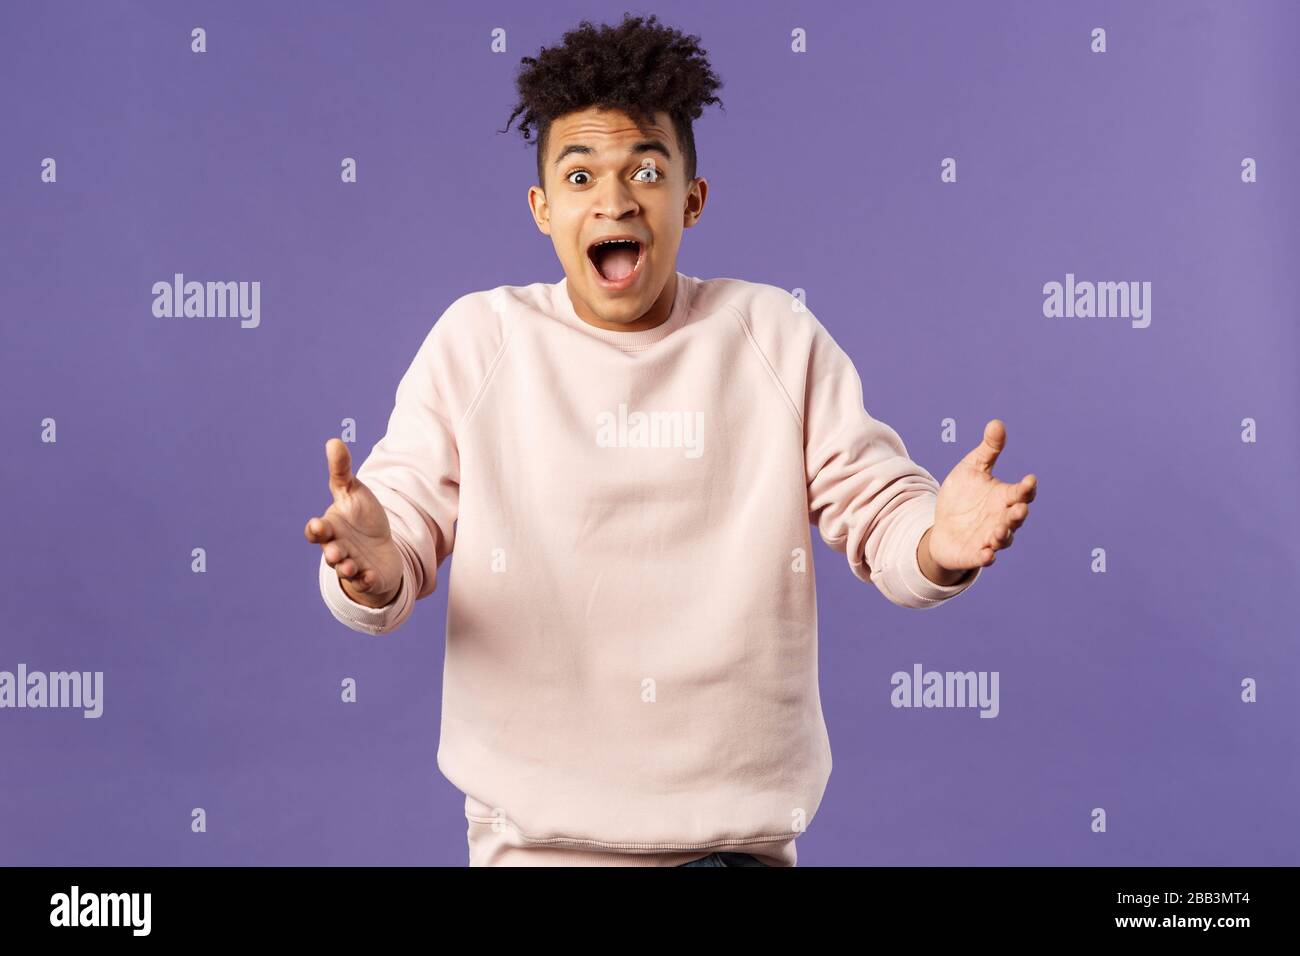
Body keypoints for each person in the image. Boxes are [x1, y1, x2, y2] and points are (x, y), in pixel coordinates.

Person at [304, 13, 1036, 867]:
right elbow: (400, 539)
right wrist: (371, 564)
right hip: (534, 848)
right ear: (543, 209)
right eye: (580, 176)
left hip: (734, 851)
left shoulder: (772, 334)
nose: (614, 200)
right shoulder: (479, 342)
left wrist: (937, 542)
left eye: (645, 171)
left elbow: (879, 511)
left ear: (691, 199)